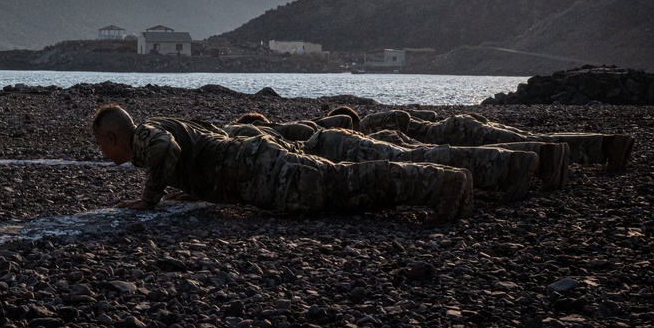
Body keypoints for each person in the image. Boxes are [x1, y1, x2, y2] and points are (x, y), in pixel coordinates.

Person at [92, 105, 474, 225]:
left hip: (258, 171)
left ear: (112, 138)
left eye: (102, 147)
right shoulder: (159, 122)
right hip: (255, 158)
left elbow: (167, 148)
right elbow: (203, 137)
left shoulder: (146, 136)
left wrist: (150, 199)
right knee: (340, 180)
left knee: (344, 187)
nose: (105, 156)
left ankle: (440, 184)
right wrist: (189, 186)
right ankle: (446, 184)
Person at [226, 109, 543, 202]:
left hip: (334, 148)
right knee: (419, 155)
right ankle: (525, 159)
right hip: (337, 145)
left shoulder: (262, 134)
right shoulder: (293, 130)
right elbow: (342, 120)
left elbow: (339, 121)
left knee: (419, 157)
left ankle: (511, 163)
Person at [356, 109, 634, 170]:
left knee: (532, 139)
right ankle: (608, 145)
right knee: (529, 137)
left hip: (458, 133)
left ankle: (609, 145)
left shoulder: (366, 124)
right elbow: (423, 113)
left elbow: (401, 119)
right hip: (459, 128)